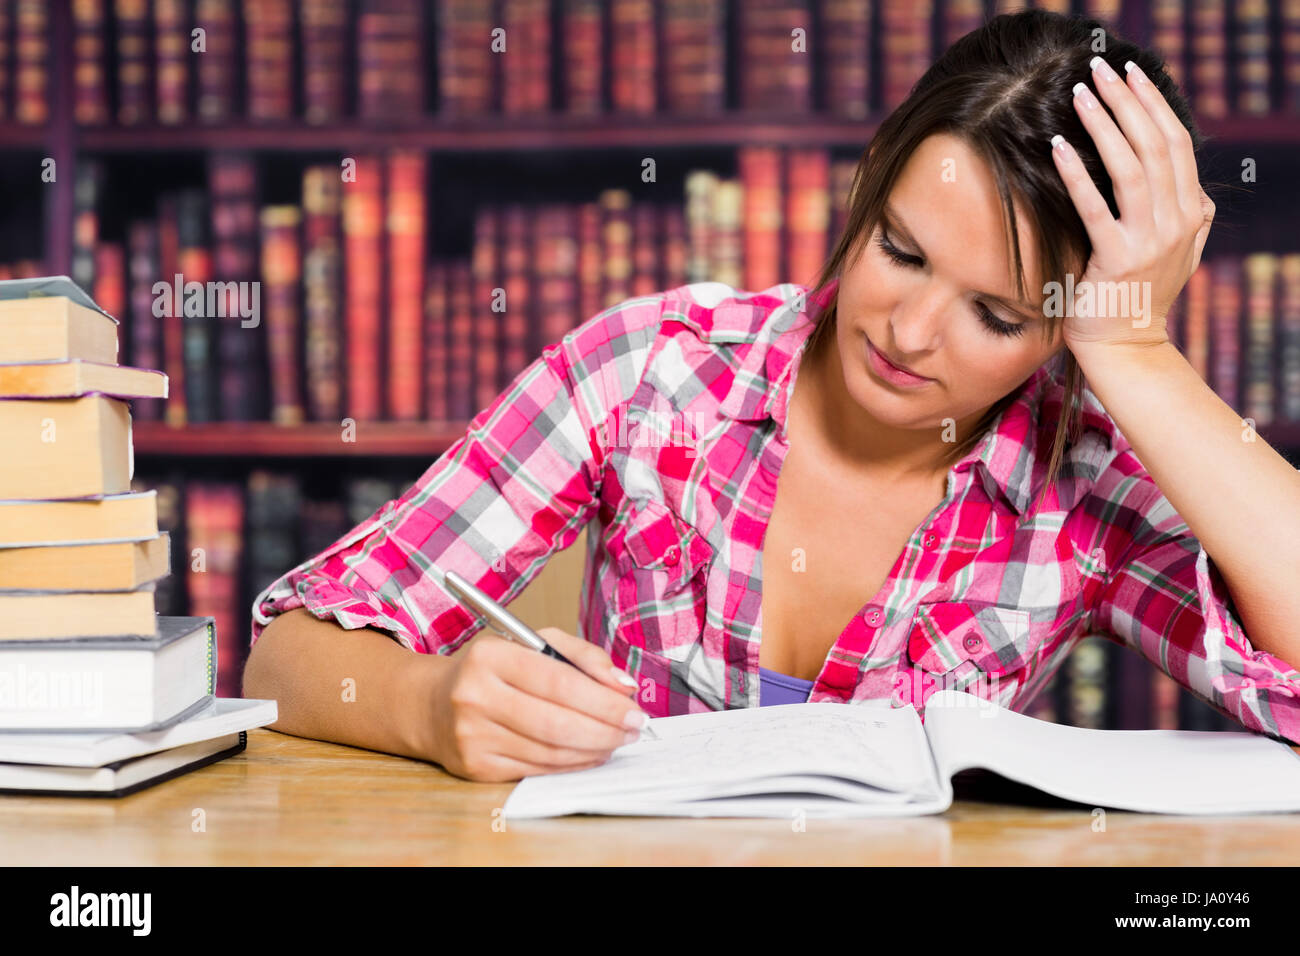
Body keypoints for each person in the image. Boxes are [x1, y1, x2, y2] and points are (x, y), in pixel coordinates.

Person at [244, 9, 1300, 782]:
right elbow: (284, 652)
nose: (907, 330)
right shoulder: (656, 367)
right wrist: (431, 705)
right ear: (869, 180)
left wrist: (1134, 347)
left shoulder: (1082, 476)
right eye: (899, 249)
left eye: (998, 315)